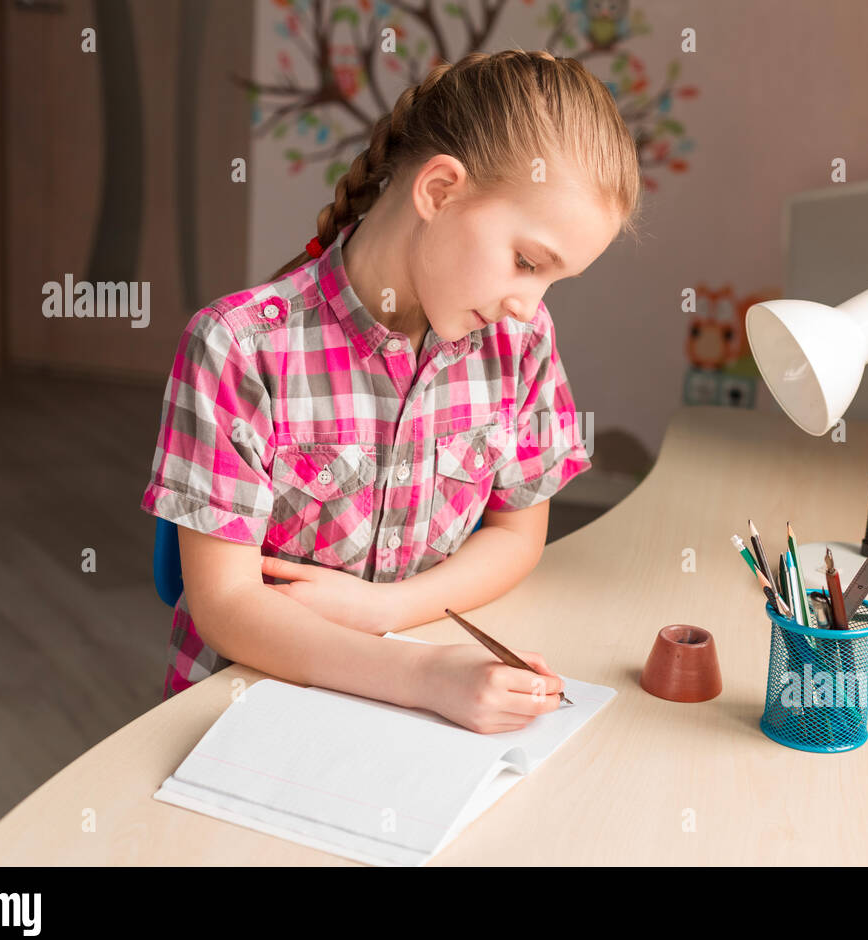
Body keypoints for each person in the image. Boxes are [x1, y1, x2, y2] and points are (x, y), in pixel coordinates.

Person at [140, 50, 642, 733]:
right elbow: (225, 606)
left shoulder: (521, 343)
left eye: (552, 280)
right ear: (439, 191)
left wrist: (389, 612)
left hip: (424, 704)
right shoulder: (238, 346)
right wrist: (423, 676)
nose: (530, 304)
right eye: (526, 262)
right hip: (252, 708)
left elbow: (518, 535)